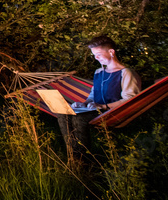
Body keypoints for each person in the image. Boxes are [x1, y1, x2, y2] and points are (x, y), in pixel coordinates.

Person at [57, 35, 141, 163]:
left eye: (98, 54)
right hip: (95, 109)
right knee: (63, 114)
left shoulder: (126, 73)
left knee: (79, 119)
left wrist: (104, 107)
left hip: (113, 112)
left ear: (111, 52)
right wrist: (84, 103)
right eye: (94, 55)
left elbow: (130, 100)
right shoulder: (98, 72)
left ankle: (83, 160)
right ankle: (73, 157)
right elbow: (93, 94)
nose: (96, 58)